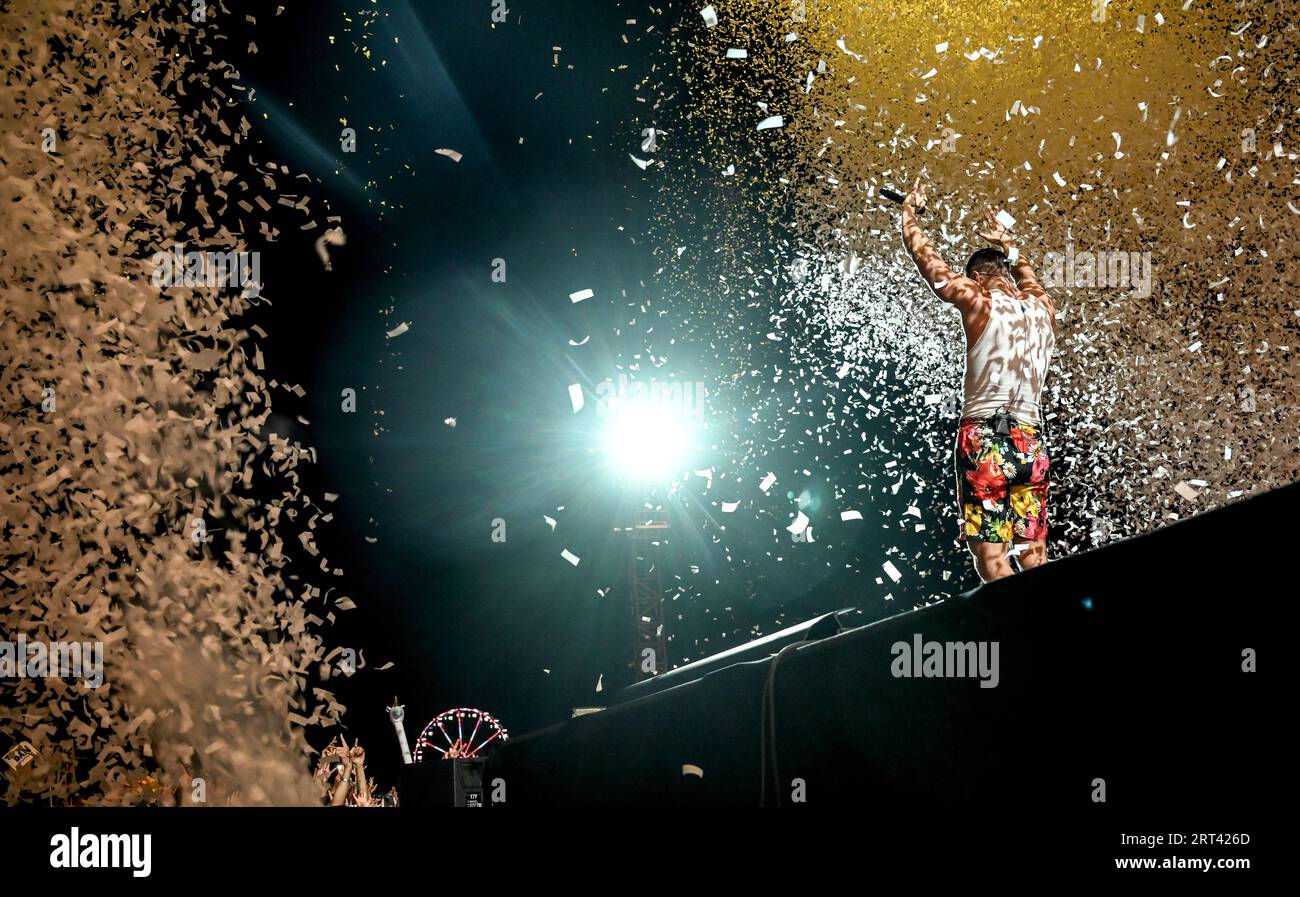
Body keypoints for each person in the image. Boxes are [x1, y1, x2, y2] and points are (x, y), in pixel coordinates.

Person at [898, 177, 1057, 581]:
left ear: (978, 277)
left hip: (988, 439)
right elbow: (1030, 278)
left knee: (993, 561)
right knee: (1035, 557)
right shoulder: (1043, 307)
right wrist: (1011, 245)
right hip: (1031, 442)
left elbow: (930, 266)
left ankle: (1016, 639)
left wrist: (909, 214)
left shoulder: (979, 299)